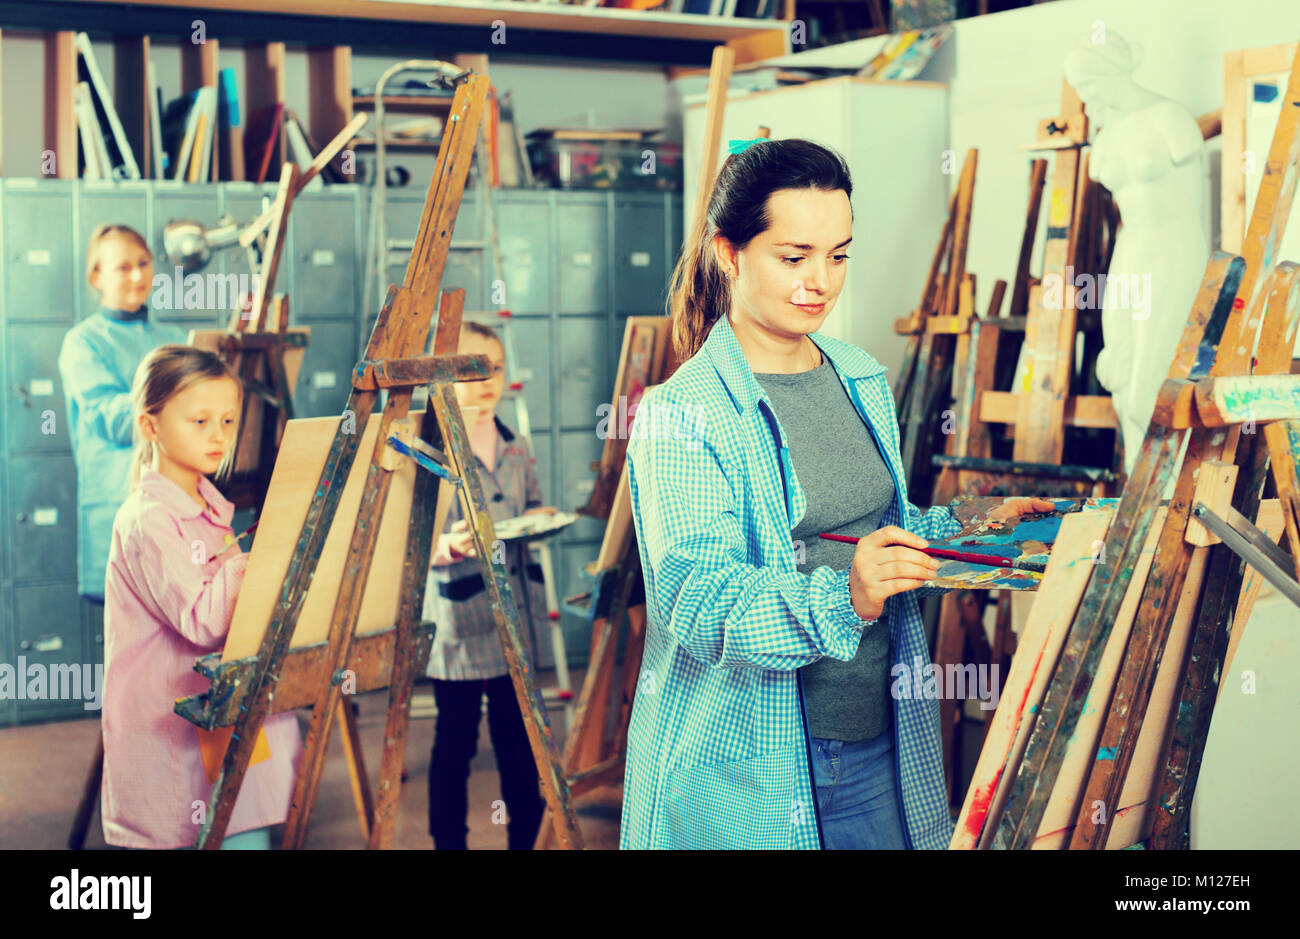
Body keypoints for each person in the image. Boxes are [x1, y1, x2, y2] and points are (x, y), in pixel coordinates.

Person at [622, 138, 1053, 850]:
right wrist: (843, 597)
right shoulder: (684, 412)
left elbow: (881, 530)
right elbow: (696, 600)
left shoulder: (857, 374)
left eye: (839, 255)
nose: (819, 280)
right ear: (731, 254)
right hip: (757, 759)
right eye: (794, 258)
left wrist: (976, 529)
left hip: (878, 732)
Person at [101, 345, 302, 849]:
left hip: (221, 716)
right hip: (168, 719)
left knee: (242, 822)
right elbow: (204, 619)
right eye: (200, 421)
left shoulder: (209, 506)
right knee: (184, 829)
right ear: (151, 427)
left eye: (229, 420)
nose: (219, 435)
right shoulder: (148, 518)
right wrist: (254, 560)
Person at [423, 322, 557, 850]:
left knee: (519, 741)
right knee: (454, 742)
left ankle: (524, 839)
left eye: (494, 369)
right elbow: (409, 545)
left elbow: (529, 508)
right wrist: (446, 546)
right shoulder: (429, 450)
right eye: (471, 369)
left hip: (516, 616)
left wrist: (542, 515)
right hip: (460, 618)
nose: (486, 381)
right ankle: (448, 842)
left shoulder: (515, 444)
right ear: (444, 376)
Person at [58, 224, 186, 607]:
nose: (137, 275)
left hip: (177, 502)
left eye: (144, 263)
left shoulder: (176, 338)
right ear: (96, 276)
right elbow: (112, 418)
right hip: (119, 499)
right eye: (123, 266)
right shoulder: (82, 342)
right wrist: (181, 409)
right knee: (134, 639)